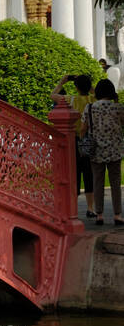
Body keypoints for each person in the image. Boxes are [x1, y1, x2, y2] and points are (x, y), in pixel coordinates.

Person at [51, 73, 95, 218]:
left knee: (74, 173)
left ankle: (73, 207)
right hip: (89, 140)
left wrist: (62, 82)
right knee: (89, 173)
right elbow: (98, 94)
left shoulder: (71, 100)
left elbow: (53, 96)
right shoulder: (92, 99)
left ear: (75, 87)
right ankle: (91, 207)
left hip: (74, 140)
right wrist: (88, 85)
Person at [85, 79, 124, 226]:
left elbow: (83, 128)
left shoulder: (89, 108)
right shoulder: (118, 107)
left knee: (97, 182)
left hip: (96, 150)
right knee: (115, 183)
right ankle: (117, 214)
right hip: (114, 149)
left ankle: (99, 214)